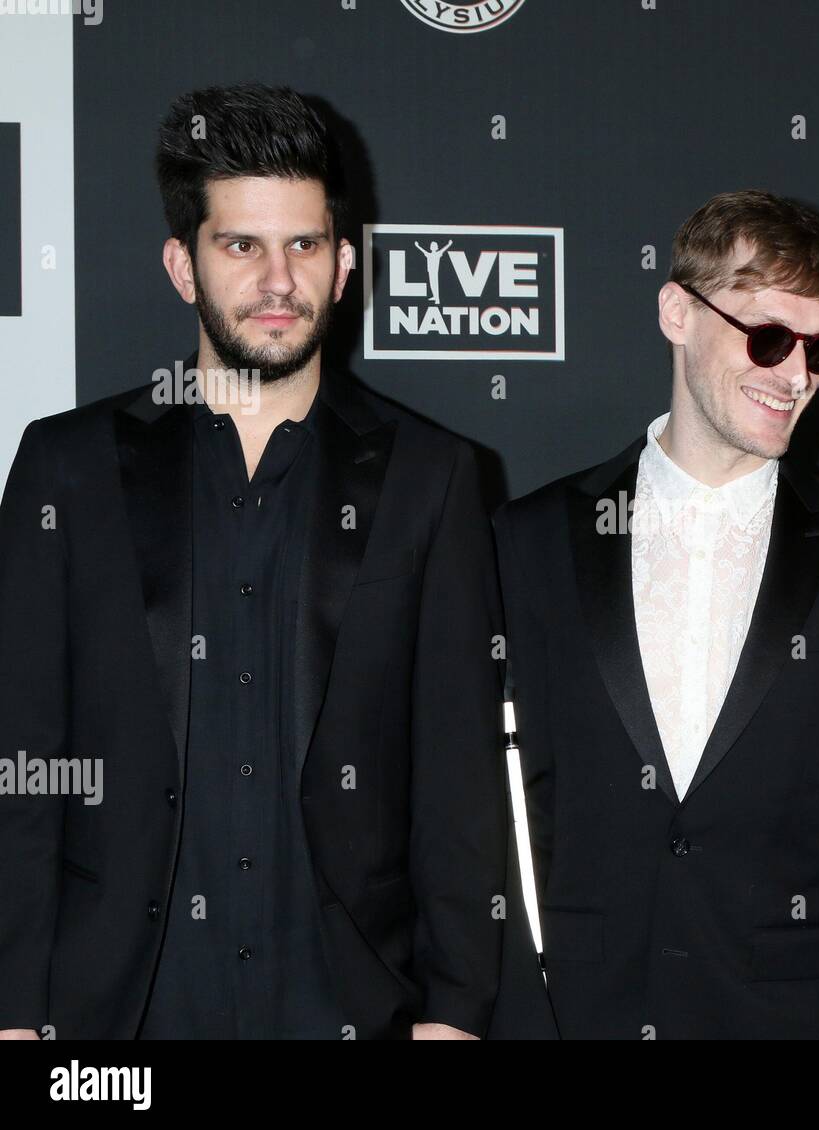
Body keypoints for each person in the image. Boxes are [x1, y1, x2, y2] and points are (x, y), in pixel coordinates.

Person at [0, 84, 506, 1040]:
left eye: (304, 245)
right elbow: (19, 754)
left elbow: (457, 774)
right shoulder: (67, 465)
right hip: (119, 1016)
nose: (278, 279)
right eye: (241, 246)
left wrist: (455, 1015)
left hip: (349, 1005)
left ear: (344, 262)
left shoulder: (430, 477)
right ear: (182, 267)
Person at [490, 190, 819, 1039]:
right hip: (568, 1015)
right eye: (771, 337)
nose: (795, 377)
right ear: (678, 310)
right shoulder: (529, 541)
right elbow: (483, 809)